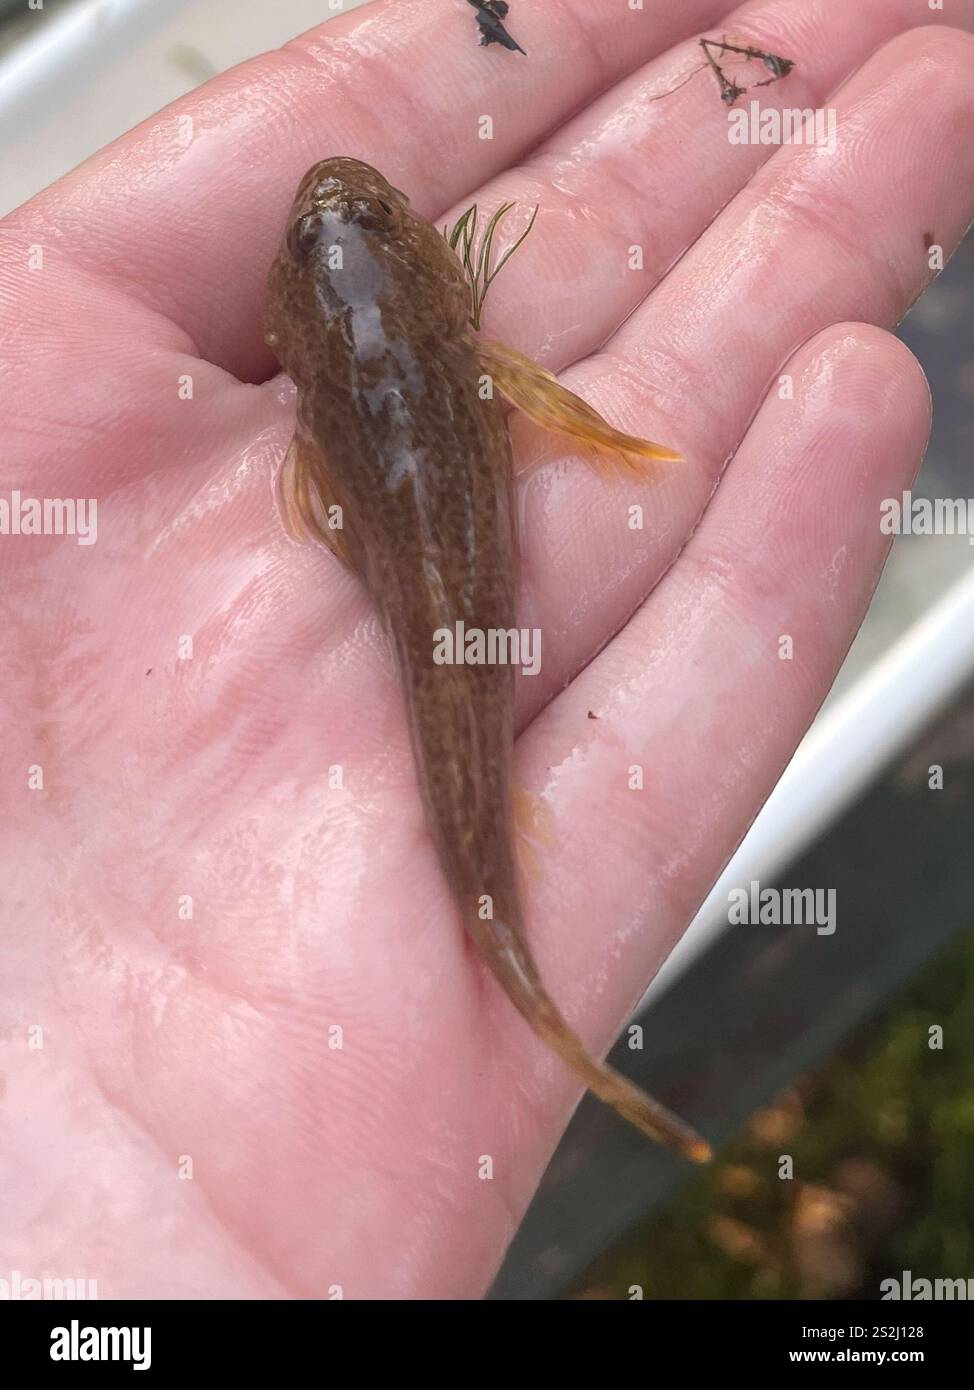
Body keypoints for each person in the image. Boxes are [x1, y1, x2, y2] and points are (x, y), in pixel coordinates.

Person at [1, 0, 971, 1299]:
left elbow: (316, 490)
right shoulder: (475, 364)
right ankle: (521, 981)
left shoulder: (319, 434)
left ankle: (524, 978)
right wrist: (614, 440)